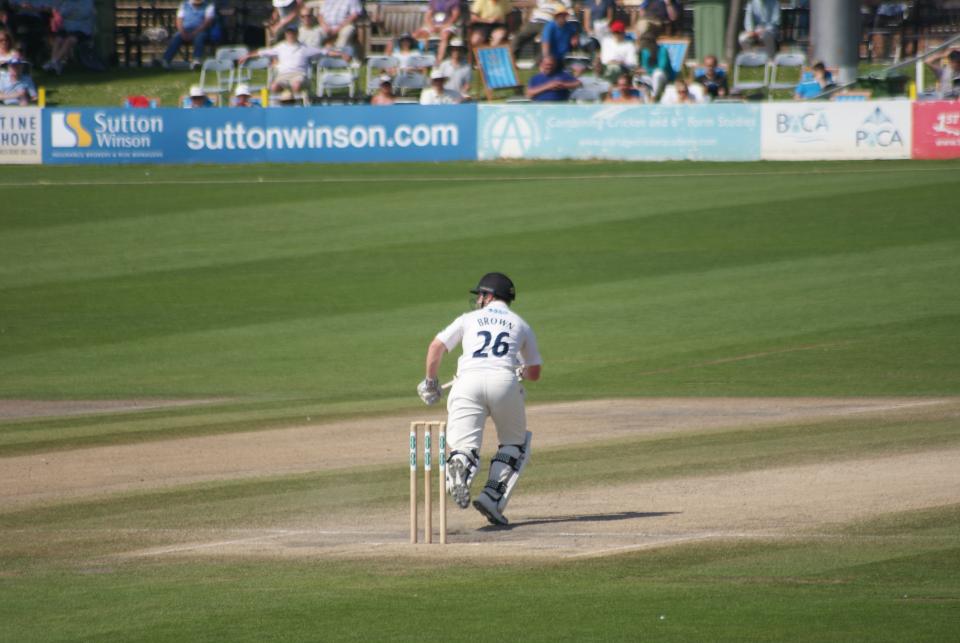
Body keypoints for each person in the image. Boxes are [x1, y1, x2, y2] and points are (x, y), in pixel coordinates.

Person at [417, 272, 542, 526]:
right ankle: (491, 496)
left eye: (480, 295)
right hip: (504, 383)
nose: (478, 301)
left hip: (467, 383)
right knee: (514, 445)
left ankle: (460, 466)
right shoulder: (520, 324)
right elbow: (535, 372)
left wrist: (431, 383)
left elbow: (435, 347)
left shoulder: (469, 319)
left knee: (463, 447)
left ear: (489, 296)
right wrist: (520, 371)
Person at [241, 26, 347, 96]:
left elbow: (324, 52)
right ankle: (279, 109)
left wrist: (341, 54)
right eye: (288, 33)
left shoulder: (305, 48)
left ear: (296, 34)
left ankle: (296, 110)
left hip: (299, 75)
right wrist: (248, 56)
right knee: (274, 87)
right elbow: (262, 52)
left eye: (292, 33)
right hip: (283, 75)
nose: (290, 35)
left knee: (296, 85)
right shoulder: (280, 47)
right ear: (286, 34)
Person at [162, 0, 216, 70]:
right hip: (185, 29)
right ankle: (166, 60)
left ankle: (197, 60)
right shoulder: (184, 5)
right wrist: (182, 32)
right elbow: (179, 19)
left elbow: (207, 22)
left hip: (201, 30)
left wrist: (194, 33)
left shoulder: (208, 5)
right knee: (176, 37)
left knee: (199, 38)